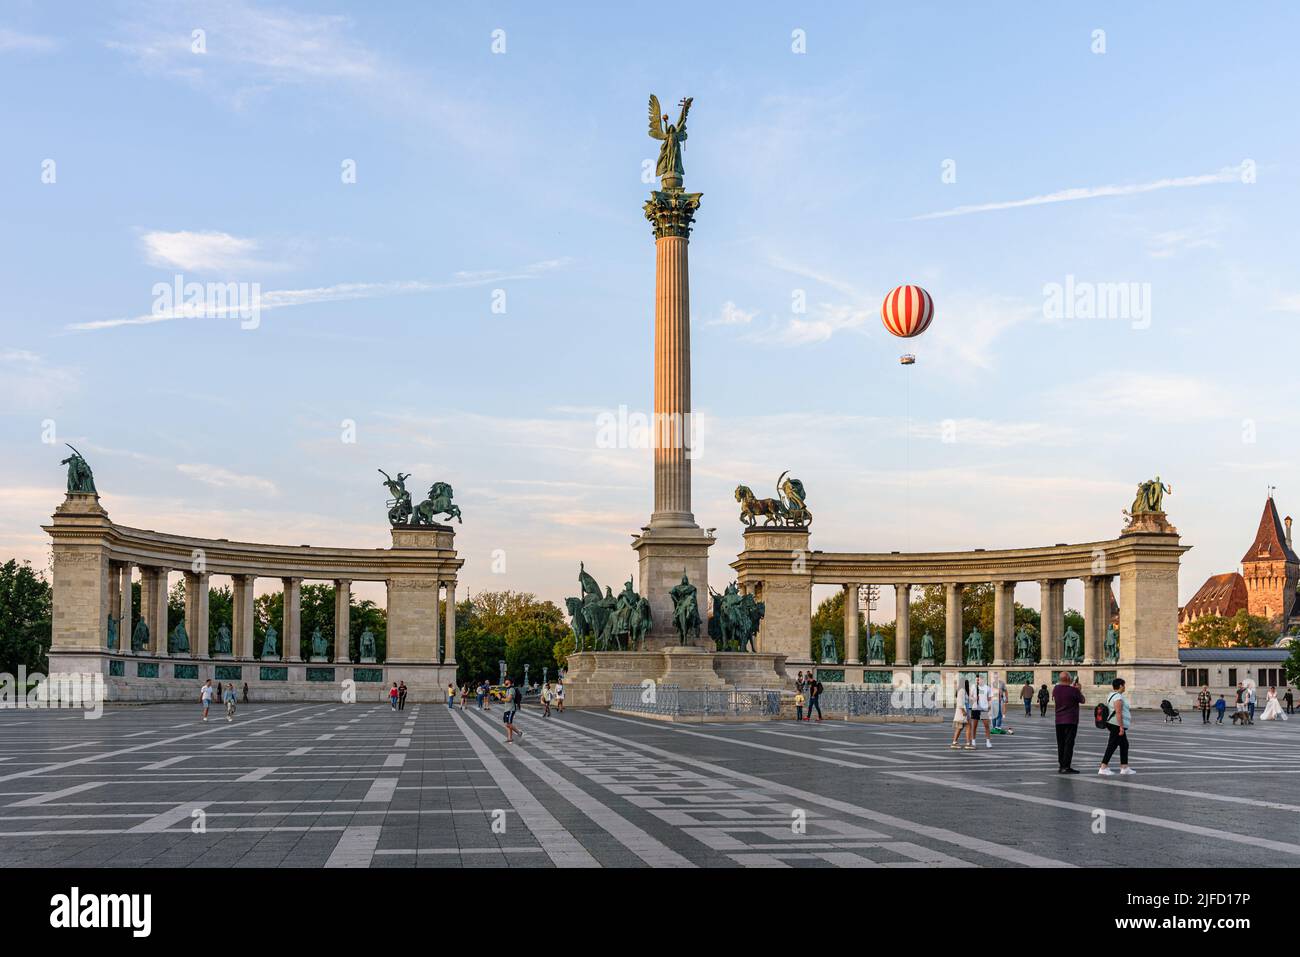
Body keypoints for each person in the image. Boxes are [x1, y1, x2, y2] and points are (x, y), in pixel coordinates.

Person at [1097, 677, 1134, 775]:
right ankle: (1103, 767)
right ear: (1121, 686)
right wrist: (1121, 727)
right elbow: (1118, 713)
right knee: (1112, 745)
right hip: (1116, 724)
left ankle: (1124, 767)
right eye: (1124, 685)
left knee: (1124, 745)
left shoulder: (1111, 695)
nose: (1125, 687)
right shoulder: (1118, 697)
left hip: (1114, 724)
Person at [1052, 672, 1085, 774]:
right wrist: (1079, 690)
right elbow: (1082, 700)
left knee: (1061, 743)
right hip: (1071, 720)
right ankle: (1066, 766)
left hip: (1059, 720)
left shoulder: (1056, 689)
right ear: (1068, 679)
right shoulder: (1073, 690)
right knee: (1069, 744)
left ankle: (1061, 765)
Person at [970, 675, 992, 748]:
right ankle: (973, 740)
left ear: (982, 680)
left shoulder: (987, 688)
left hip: (984, 709)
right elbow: (970, 696)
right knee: (974, 726)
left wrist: (989, 706)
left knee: (986, 725)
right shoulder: (973, 687)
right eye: (976, 680)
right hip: (975, 708)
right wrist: (974, 699)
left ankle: (988, 741)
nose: (977, 681)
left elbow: (989, 698)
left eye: (978, 680)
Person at [950, 679, 973, 750]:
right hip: (963, 712)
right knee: (968, 726)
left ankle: (954, 742)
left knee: (960, 727)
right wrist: (963, 711)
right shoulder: (962, 690)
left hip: (964, 711)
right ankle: (968, 744)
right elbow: (960, 702)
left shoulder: (962, 690)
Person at [503, 679, 524, 744]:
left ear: (511, 684)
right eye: (505, 683)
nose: (506, 685)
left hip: (511, 709)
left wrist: (500, 698)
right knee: (507, 724)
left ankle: (519, 732)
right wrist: (502, 696)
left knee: (508, 724)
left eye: (507, 683)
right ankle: (510, 738)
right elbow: (507, 698)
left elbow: (509, 699)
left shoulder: (511, 689)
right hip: (507, 709)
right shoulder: (508, 690)